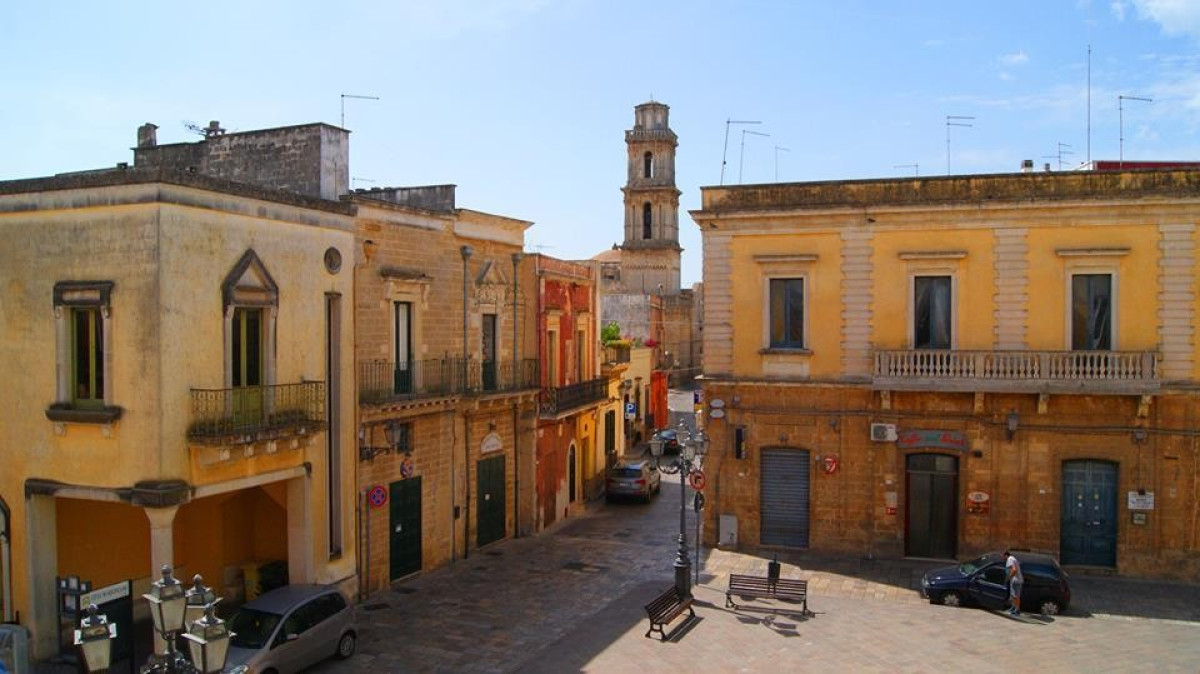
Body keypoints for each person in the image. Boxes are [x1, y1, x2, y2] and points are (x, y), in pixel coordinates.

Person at [1004, 549, 1023, 616]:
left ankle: (1017, 610)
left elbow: (1014, 570)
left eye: (1003, 557)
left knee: (1016, 596)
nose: (1004, 559)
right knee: (1013, 595)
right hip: (1015, 580)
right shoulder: (1013, 558)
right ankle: (1013, 608)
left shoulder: (1010, 559)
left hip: (1016, 580)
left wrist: (1009, 577)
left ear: (1006, 555)